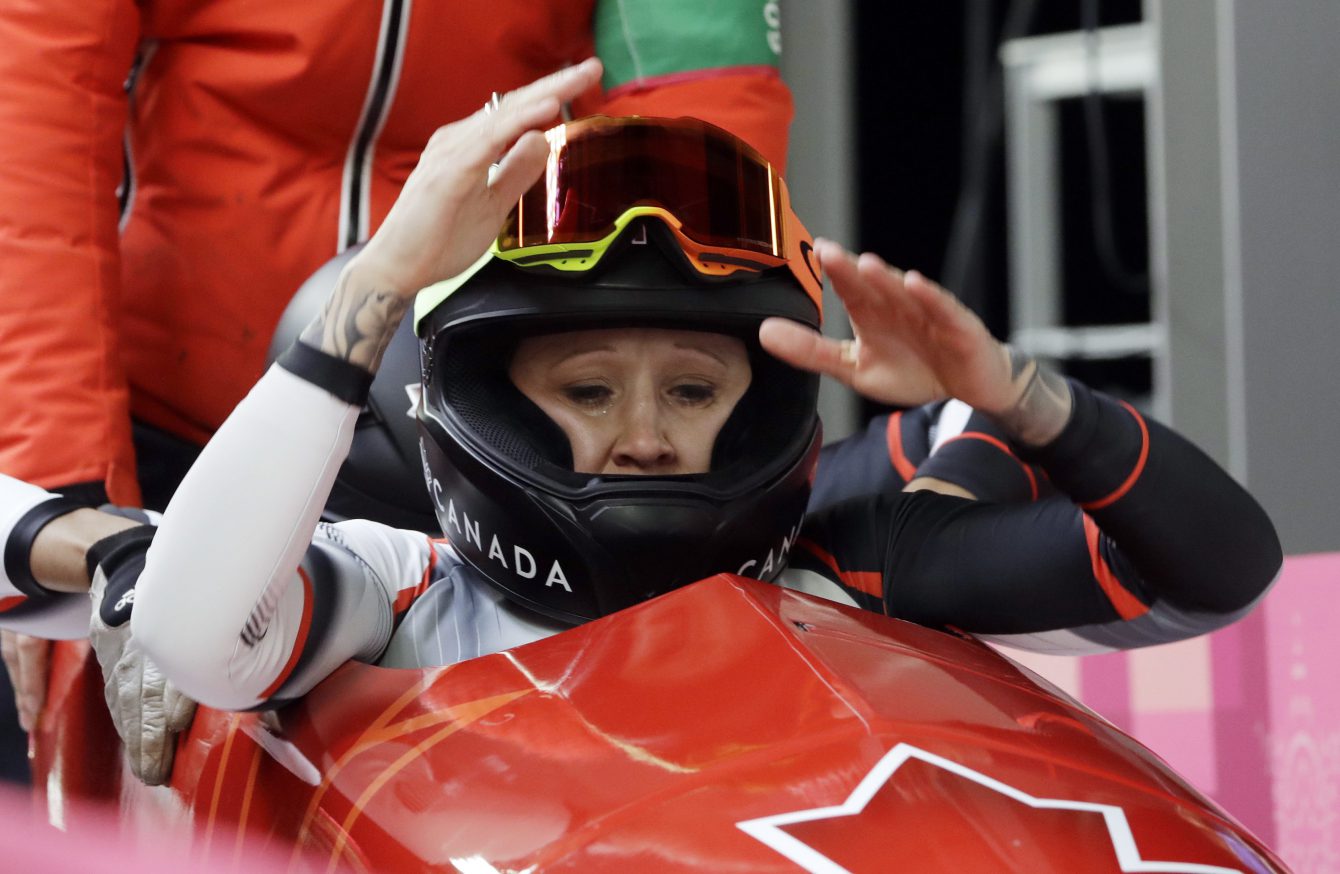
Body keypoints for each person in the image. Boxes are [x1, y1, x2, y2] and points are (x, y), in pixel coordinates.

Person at [0, 66, 1281, 727]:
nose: (649, 429)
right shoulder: (394, 590)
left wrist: (1013, 396)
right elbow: (183, 632)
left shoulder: (853, 564)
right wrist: (389, 272)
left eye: (691, 384)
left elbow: (1215, 570)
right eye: (589, 386)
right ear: (481, 407)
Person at [0, 0, 795, 758]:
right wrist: (72, 497)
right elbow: (38, 101)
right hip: (159, 418)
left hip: (509, 386)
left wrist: (682, 332)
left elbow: (698, 87)